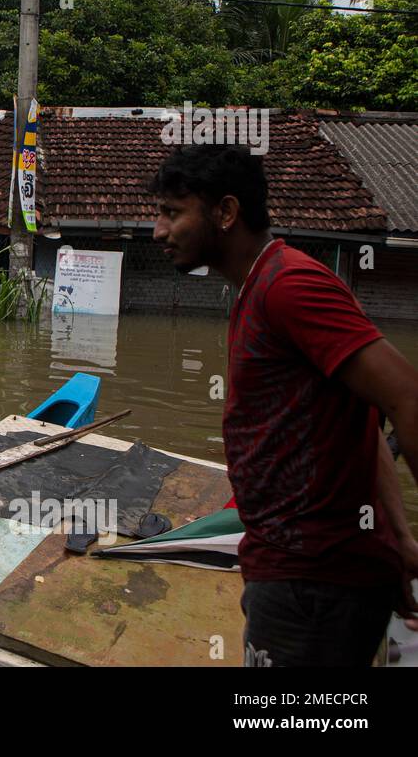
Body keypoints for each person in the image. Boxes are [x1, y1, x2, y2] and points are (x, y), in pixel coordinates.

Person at [150, 143, 418, 667]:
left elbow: (408, 398)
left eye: (172, 213)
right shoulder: (260, 287)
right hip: (297, 576)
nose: (159, 231)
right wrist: (401, 540)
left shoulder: (290, 287)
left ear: (226, 213)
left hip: (314, 583)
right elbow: (367, 420)